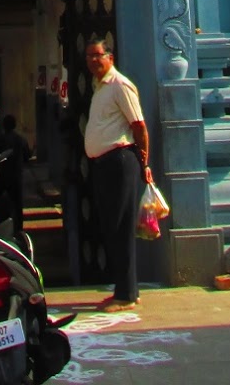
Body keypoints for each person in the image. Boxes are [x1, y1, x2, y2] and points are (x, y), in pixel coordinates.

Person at [83, 38, 151, 311]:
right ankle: (124, 290)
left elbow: (139, 125)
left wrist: (144, 161)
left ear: (110, 57)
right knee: (111, 225)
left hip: (120, 162)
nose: (92, 60)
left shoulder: (119, 85)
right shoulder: (99, 87)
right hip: (104, 164)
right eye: (89, 56)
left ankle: (126, 294)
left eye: (97, 55)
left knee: (121, 226)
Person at [0, 114, 34, 236]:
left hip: (1, 177)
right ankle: (18, 230)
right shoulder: (20, 139)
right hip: (16, 177)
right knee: (18, 205)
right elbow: (27, 156)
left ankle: (1, 228)